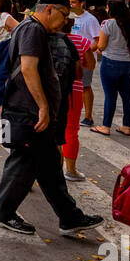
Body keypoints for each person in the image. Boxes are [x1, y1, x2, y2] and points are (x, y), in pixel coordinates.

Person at [0, 0, 103, 237]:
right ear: (49, 9)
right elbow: (28, 68)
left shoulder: (32, 27)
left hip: (30, 108)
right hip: (28, 109)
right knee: (24, 160)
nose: (64, 21)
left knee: (50, 165)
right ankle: (1, 213)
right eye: (63, 15)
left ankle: (69, 217)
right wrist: (42, 107)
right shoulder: (33, 30)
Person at [49, 18, 94, 183]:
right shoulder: (81, 41)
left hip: (51, 89)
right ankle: (71, 170)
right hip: (74, 90)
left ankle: (50, 169)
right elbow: (90, 65)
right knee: (71, 130)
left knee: (49, 128)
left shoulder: (48, 39)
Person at [90, 0, 130, 137]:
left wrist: (98, 49)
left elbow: (101, 45)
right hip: (129, 63)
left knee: (110, 96)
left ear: (112, 10)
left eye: (107, 7)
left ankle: (106, 126)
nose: (106, 9)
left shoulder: (108, 23)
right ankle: (126, 126)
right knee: (127, 96)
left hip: (111, 62)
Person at [68, 0, 101, 128]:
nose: (71, 5)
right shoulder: (70, 17)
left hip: (85, 60)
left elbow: (97, 41)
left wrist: (84, 54)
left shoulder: (90, 19)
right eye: (70, 2)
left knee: (85, 86)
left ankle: (88, 116)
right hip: (70, 58)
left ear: (82, 3)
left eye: (74, 2)